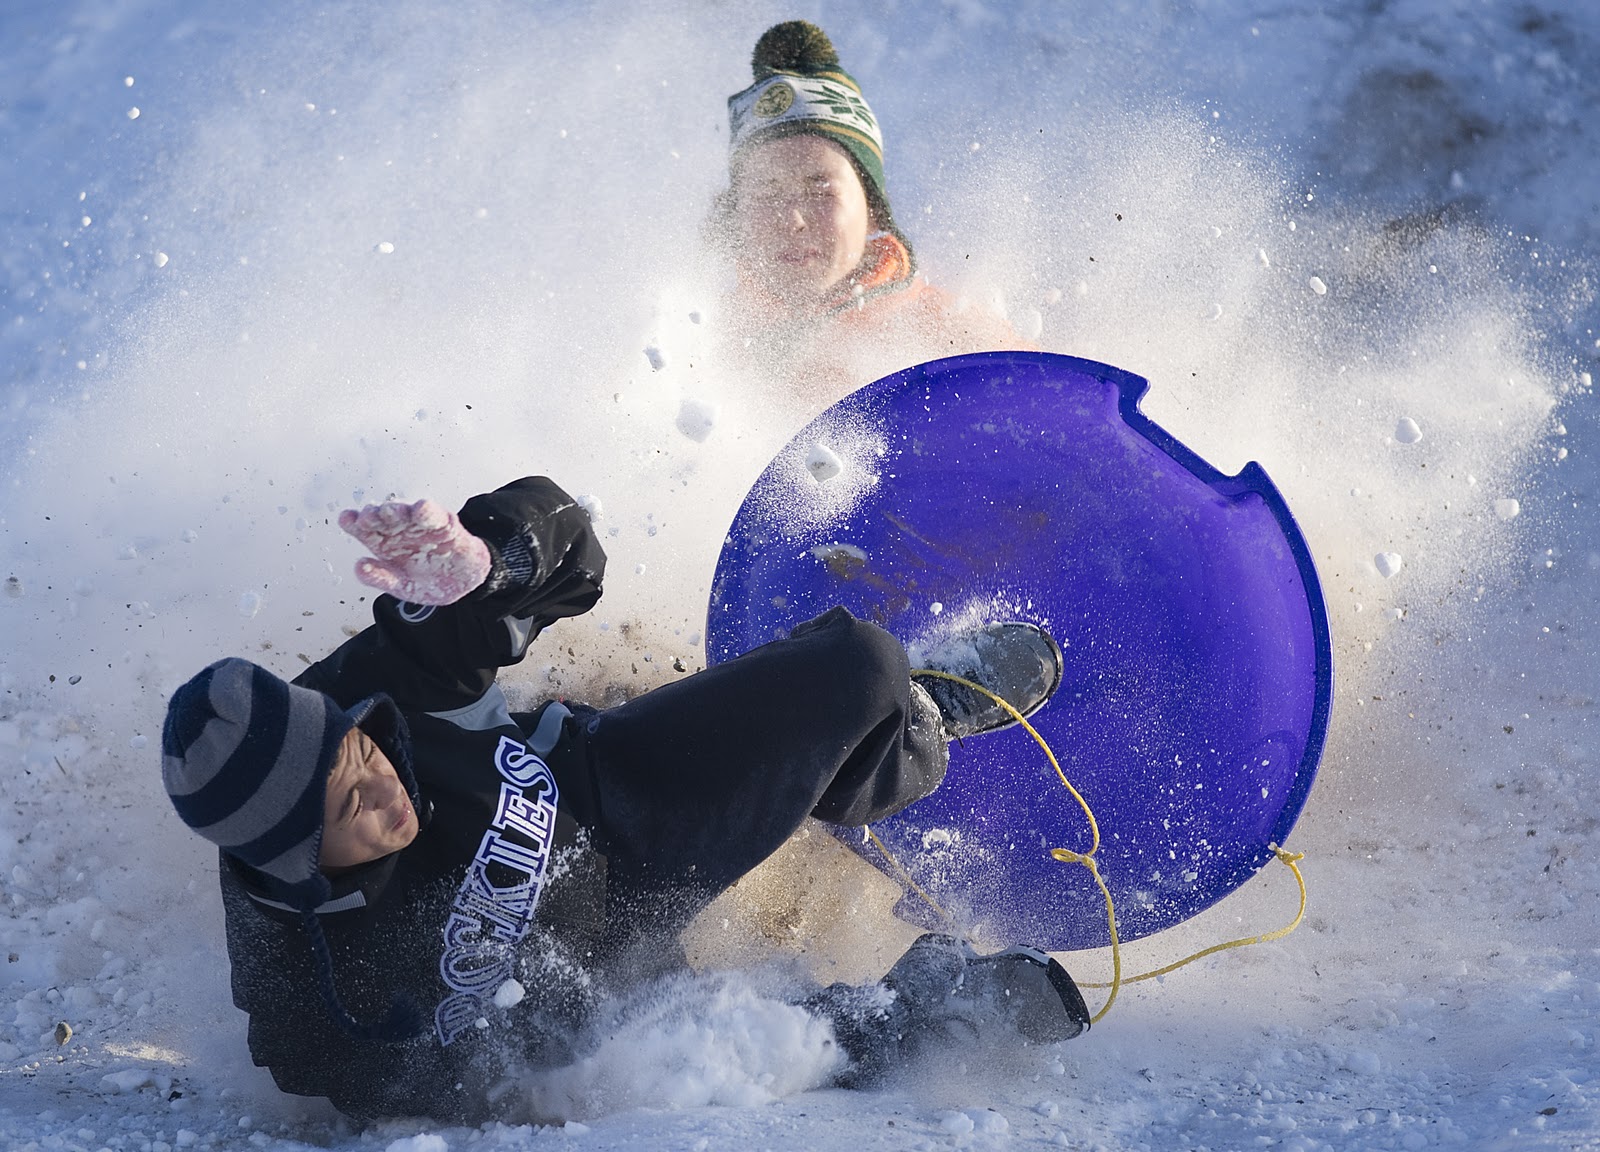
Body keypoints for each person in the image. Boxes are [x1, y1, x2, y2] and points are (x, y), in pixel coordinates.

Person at [160, 476, 1089, 1123]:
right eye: (346, 813)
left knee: (857, 668)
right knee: (693, 1066)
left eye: (364, 759)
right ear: (295, 864)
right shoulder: (307, 984)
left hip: (616, 802)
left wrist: (495, 558)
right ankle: (923, 1011)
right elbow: (348, 1086)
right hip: (588, 999)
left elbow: (576, 547)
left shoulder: (376, 683)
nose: (384, 796)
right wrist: (507, 1066)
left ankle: (915, 721)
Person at [711, 20, 1025, 411]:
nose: (792, 219)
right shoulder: (704, 345)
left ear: (873, 209)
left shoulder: (952, 337)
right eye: (766, 192)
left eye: (820, 190)